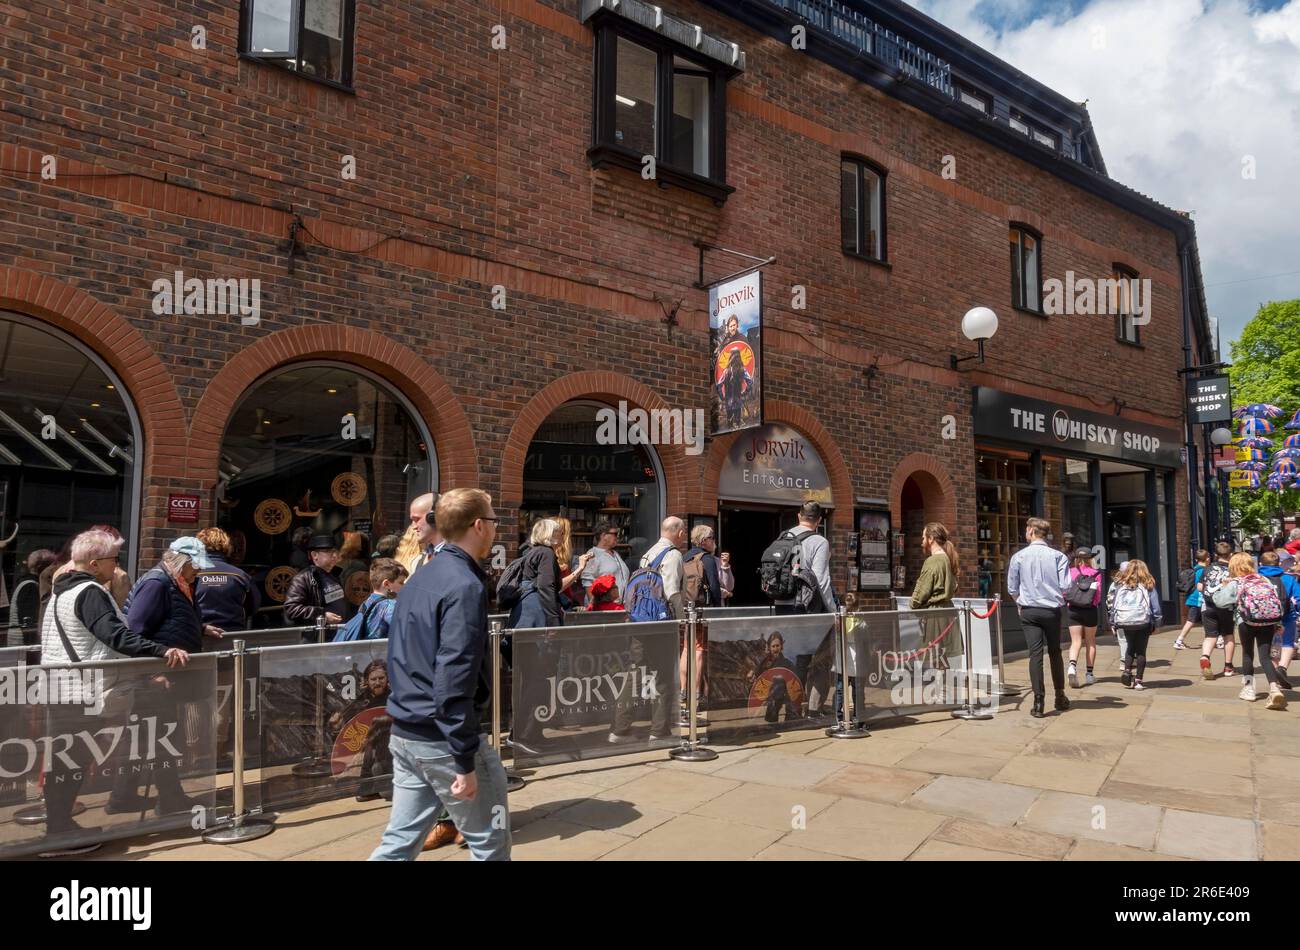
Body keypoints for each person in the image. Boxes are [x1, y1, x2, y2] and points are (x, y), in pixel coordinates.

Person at [369, 488, 511, 861]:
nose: (495, 529)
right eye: (494, 521)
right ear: (479, 525)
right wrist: (463, 757)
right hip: (442, 739)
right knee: (490, 843)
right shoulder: (464, 585)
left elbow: (401, 655)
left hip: (407, 730)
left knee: (398, 844)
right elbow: (454, 671)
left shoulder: (420, 577)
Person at [38, 530, 190, 854]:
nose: (117, 567)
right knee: (72, 764)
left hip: (62, 689)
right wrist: (160, 651)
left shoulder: (60, 593)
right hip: (81, 692)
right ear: (94, 563)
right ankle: (60, 833)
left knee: (65, 764)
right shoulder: (90, 591)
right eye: (113, 560)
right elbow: (115, 636)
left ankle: (59, 827)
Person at [112, 539, 221, 816]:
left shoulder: (176, 582)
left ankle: (122, 797)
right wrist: (152, 673)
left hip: (166, 676)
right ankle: (170, 800)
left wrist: (200, 627)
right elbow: (135, 631)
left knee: (148, 738)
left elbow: (169, 618)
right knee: (162, 739)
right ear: (179, 562)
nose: (198, 571)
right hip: (157, 678)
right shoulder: (157, 584)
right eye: (194, 566)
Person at [1006, 517, 1070, 718]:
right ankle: (1059, 696)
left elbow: (1011, 587)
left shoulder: (1019, 557)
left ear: (1032, 531)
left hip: (1029, 610)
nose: (1025, 533)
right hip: (1051, 610)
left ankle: (1038, 701)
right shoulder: (1058, 556)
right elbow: (1066, 586)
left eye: (1026, 529)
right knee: (1055, 652)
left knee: (1035, 655)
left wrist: (1019, 601)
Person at [1211, 552, 1290, 708]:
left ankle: (1249, 689)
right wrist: (1278, 623)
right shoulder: (1264, 579)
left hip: (1246, 622)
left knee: (1248, 653)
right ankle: (1274, 689)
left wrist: (1224, 586)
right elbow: (1276, 601)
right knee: (1265, 657)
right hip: (1268, 622)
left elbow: (1219, 601)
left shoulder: (1236, 582)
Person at [909, 522, 961, 662]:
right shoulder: (947, 558)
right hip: (947, 613)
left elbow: (921, 591)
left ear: (931, 539)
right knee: (943, 661)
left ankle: (941, 684)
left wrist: (913, 604)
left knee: (934, 661)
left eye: (923, 538)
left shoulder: (933, 561)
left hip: (936, 616)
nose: (922, 542)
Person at [1106, 559, 1162, 690]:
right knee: (1141, 651)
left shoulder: (1121, 583)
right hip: (1143, 621)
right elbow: (1155, 606)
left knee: (1130, 647)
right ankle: (1138, 681)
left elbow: (1114, 605)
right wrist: (1157, 622)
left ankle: (1127, 670)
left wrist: (1113, 622)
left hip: (1125, 620)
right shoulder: (1148, 584)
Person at [772, 502, 836, 616]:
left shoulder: (784, 536)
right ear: (819, 520)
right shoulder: (820, 542)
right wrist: (832, 609)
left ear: (799, 516)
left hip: (780, 602)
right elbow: (820, 581)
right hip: (804, 605)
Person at [193, 526, 258, 632]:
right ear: (227, 545)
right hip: (232, 634)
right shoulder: (241, 575)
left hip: (199, 634)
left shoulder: (192, 573)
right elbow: (253, 606)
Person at [507, 519, 567, 629]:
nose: (563, 536)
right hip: (537, 611)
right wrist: (553, 621)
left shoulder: (534, 551)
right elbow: (546, 587)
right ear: (550, 534)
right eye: (560, 532)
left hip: (526, 610)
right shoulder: (546, 553)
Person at [283, 534, 347, 637]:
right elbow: (292, 609)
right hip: (317, 638)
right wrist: (322, 615)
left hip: (338, 635)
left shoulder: (335, 575)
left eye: (335, 551)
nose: (334, 555)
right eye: (328, 552)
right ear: (314, 555)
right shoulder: (302, 579)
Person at [335, 557, 408, 641]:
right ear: (387, 584)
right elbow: (406, 630)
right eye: (401, 582)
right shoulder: (388, 605)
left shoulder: (367, 601)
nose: (404, 586)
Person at [1259, 550, 1300, 690]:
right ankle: (1282, 668)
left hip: (1264, 618)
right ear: (1279, 564)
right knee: (1288, 643)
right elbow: (1298, 598)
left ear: (1260, 564)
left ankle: (1275, 675)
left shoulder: (1257, 578)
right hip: (1287, 616)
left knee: (1272, 646)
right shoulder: (1288, 578)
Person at [1198, 541, 1238, 679]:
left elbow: (1199, 587)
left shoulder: (1207, 569)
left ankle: (1205, 656)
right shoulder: (1233, 570)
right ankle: (1228, 666)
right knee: (1228, 635)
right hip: (1226, 608)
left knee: (1210, 636)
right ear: (1230, 555)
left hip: (1208, 607)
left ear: (1215, 555)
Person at [1065, 546, 1104, 687]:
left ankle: (1072, 667)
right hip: (1090, 610)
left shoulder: (1070, 572)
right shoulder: (1096, 573)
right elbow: (1098, 596)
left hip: (1073, 610)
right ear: (1090, 559)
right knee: (1090, 642)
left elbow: (1065, 592)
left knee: (1075, 642)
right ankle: (1089, 675)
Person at [639, 517, 688, 619]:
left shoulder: (648, 553)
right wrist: (681, 620)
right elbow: (672, 592)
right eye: (684, 534)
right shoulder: (673, 554)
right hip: (664, 618)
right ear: (680, 533)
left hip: (644, 613)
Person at [8, 547, 58, 646]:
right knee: (22, 662)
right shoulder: (31, 586)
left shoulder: (25, 582)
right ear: (41, 567)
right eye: (49, 566)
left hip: (21, 639)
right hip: (22, 642)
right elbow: (28, 620)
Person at [580, 520, 629, 602]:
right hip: (604, 608)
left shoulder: (615, 553)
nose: (617, 537)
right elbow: (587, 581)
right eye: (615, 534)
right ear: (603, 536)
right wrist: (593, 606)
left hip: (618, 606)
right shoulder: (593, 554)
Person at [1172, 549, 1211, 652]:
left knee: (1205, 620)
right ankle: (1179, 641)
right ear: (1207, 559)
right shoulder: (1204, 571)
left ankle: (1216, 639)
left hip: (1192, 598)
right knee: (1191, 621)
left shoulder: (1195, 569)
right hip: (1198, 599)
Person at [398, 493, 439, 573]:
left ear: (433, 517)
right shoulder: (419, 561)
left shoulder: (457, 556)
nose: (413, 527)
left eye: (417, 519)